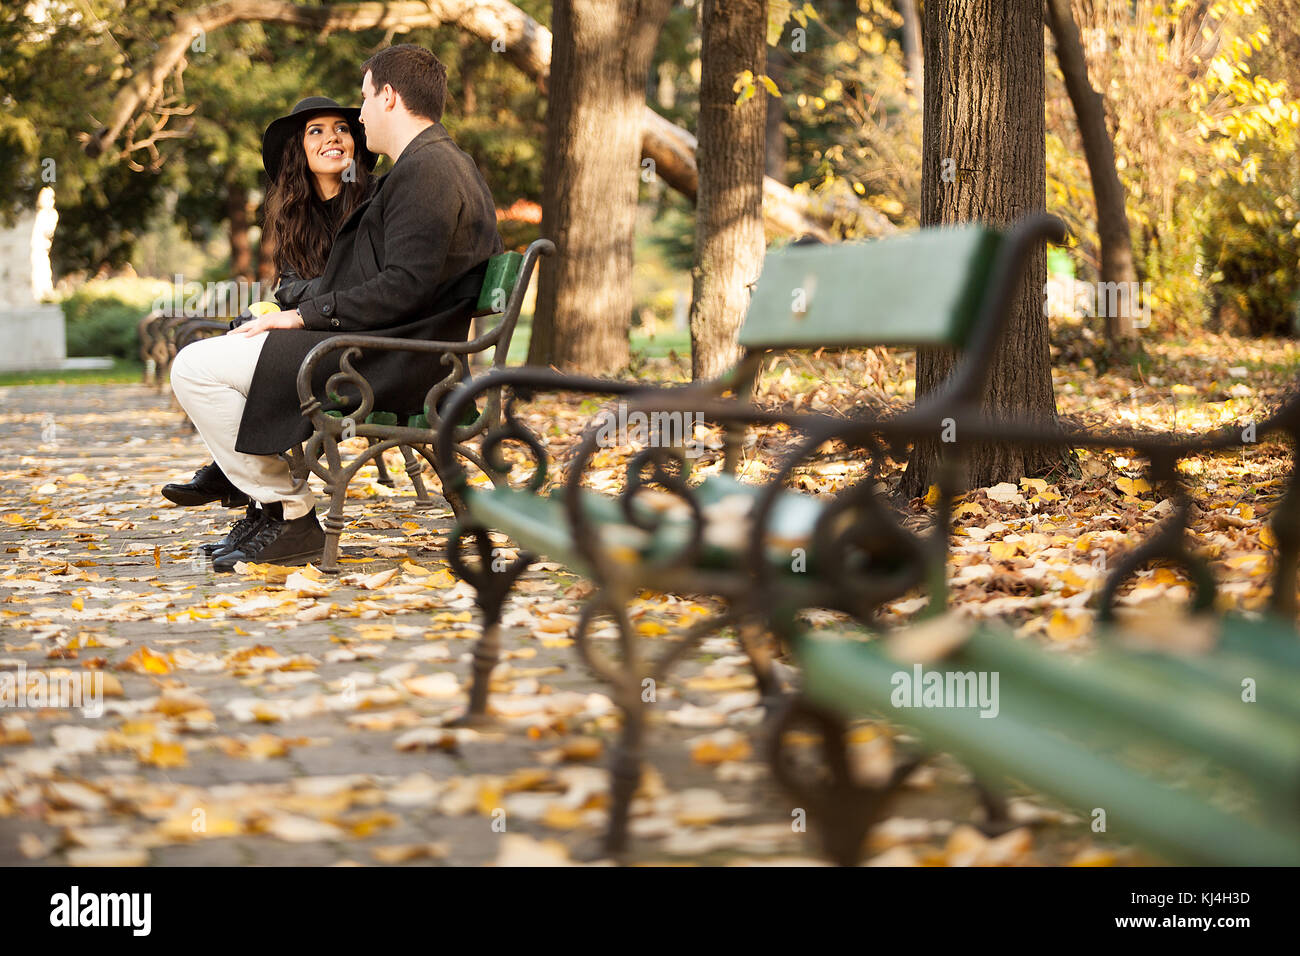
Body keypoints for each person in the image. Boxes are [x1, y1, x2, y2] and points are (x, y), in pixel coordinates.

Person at [170, 44, 504, 572]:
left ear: (388, 97)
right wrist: (293, 313)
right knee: (224, 351)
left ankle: (290, 513)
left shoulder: (430, 172)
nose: (361, 113)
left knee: (194, 367)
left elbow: (402, 287)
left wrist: (301, 316)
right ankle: (271, 507)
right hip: (395, 348)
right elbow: (396, 282)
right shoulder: (429, 165)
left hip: (392, 360)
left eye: (365, 99)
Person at [162, 96, 377, 517]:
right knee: (243, 329)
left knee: (228, 356)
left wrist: (303, 302)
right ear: (299, 149)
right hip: (319, 332)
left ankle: (243, 476)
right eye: (316, 131)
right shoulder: (296, 214)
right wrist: (285, 308)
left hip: (355, 347)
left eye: (342, 128)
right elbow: (292, 287)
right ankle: (241, 474)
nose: (332, 137)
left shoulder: (371, 201)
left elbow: (359, 287)